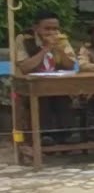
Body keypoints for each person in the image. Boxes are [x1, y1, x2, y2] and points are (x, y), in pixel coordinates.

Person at [14, 10, 78, 145]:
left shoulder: (61, 39)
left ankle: (67, 134)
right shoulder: (24, 39)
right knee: (43, 98)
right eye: (47, 29)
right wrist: (46, 49)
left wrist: (58, 49)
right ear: (36, 28)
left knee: (62, 97)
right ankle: (45, 135)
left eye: (55, 29)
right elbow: (25, 67)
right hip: (33, 85)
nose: (52, 32)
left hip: (57, 84)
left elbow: (71, 65)